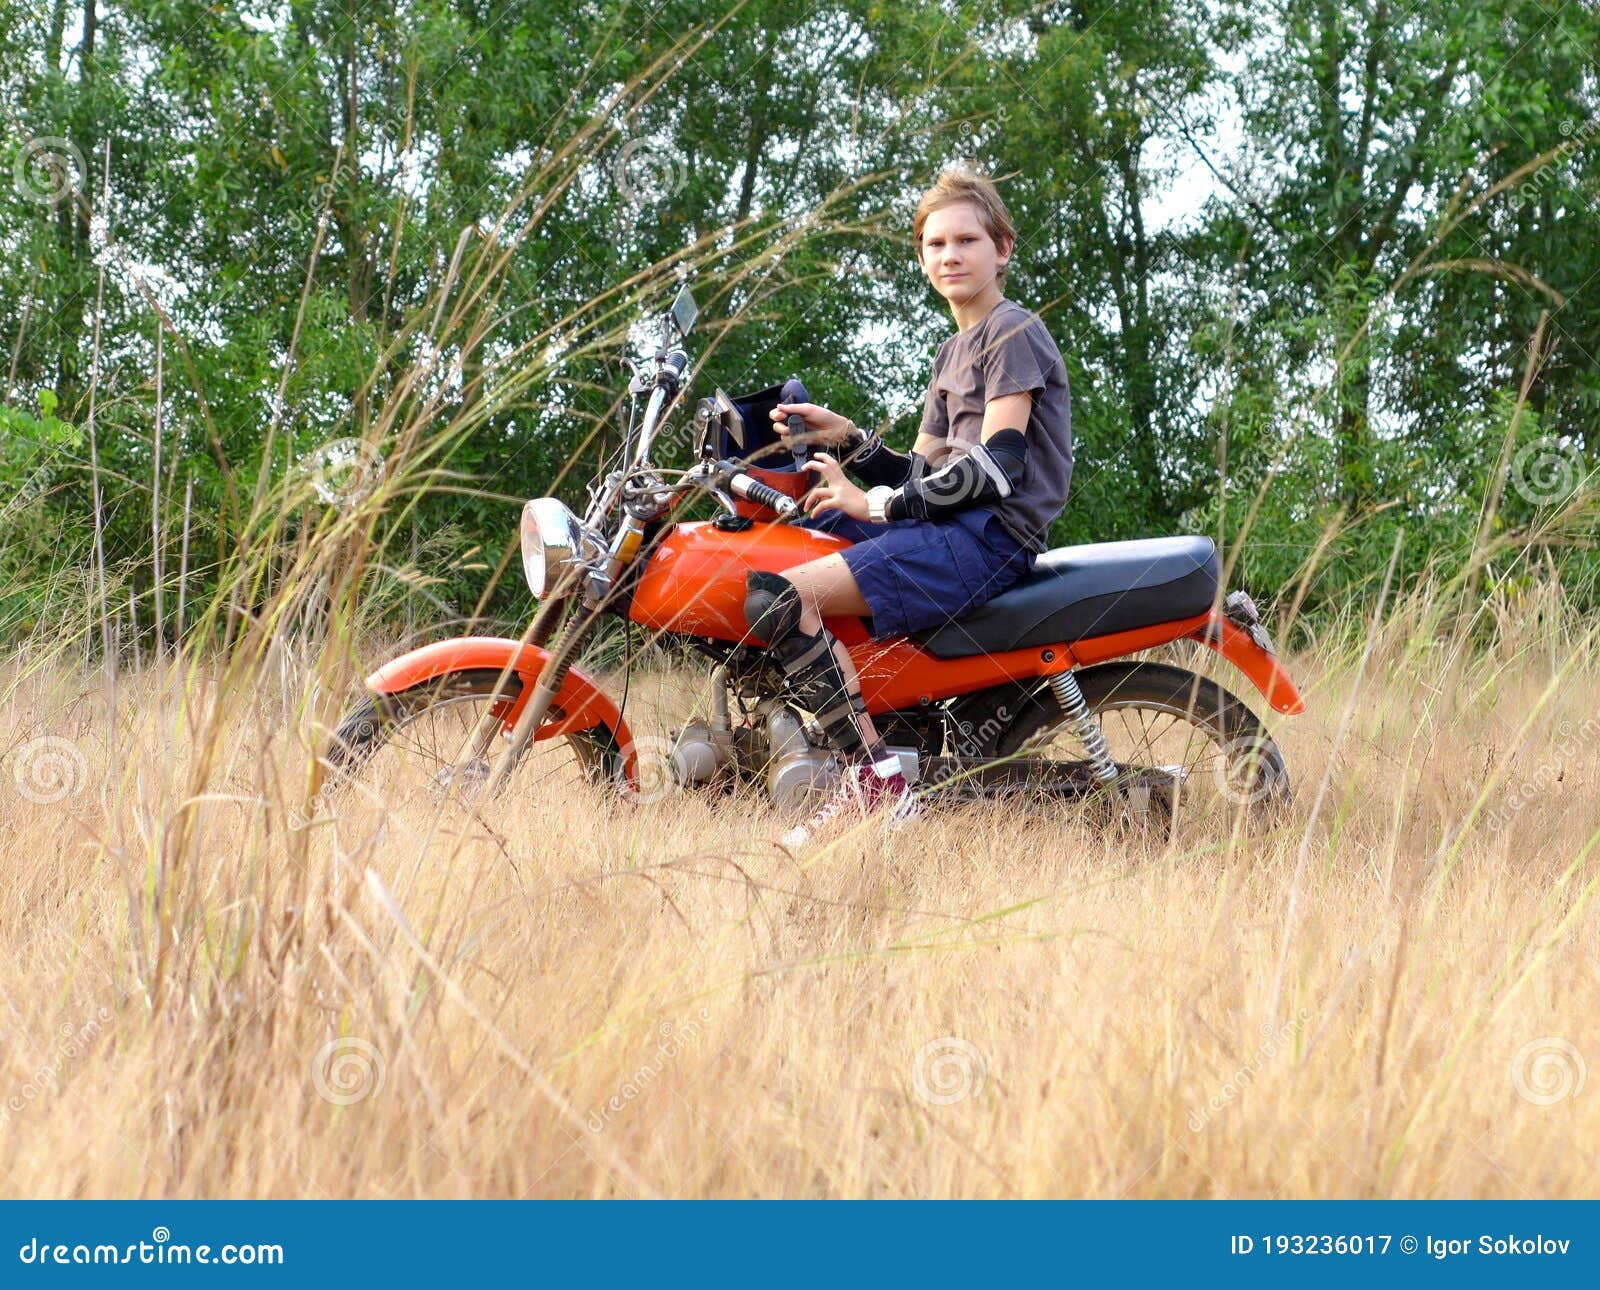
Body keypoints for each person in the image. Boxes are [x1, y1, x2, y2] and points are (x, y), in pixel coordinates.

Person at [746, 166, 1075, 849]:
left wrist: (881, 505)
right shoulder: (952, 350)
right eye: (935, 244)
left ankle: (875, 784)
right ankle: (858, 731)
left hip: (988, 537)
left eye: (966, 240)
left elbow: (997, 466)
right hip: (950, 524)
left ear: (1002, 248)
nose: (949, 255)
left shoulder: (1012, 333)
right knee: (795, 521)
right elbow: (921, 471)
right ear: (921, 257)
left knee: (781, 600)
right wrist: (844, 438)